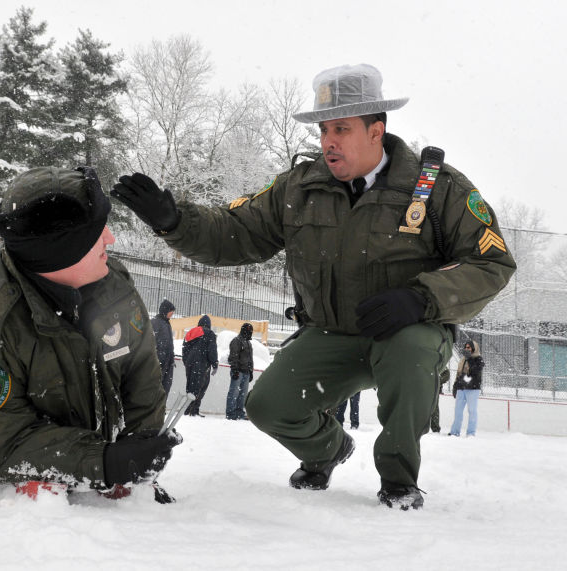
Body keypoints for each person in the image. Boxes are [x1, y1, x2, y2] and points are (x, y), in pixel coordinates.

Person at [112, 63, 516, 510]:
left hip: (406, 331)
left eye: (342, 129)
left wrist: (422, 298)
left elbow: (491, 261)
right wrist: (174, 221)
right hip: (331, 333)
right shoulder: (298, 188)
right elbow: (234, 232)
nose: (329, 141)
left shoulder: (437, 189)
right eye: (324, 129)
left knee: (412, 353)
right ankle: (327, 450)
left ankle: (399, 481)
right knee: (266, 405)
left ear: (376, 130)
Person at [0, 166, 180, 496]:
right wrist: (103, 462)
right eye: (97, 232)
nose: (110, 239)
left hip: (64, 419)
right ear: (59, 251)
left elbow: (140, 369)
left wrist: (140, 443)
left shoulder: (112, 281)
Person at [182, 315, 218, 416]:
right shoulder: (210, 333)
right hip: (202, 364)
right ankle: (191, 410)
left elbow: (184, 349)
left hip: (190, 364)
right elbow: (212, 350)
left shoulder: (191, 332)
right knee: (201, 387)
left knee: (190, 386)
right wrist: (215, 363)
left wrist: (187, 362)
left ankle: (189, 409)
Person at [449, 340, 484, 437]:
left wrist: (469, 358)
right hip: (461, 388)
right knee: (458, 411)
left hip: (473, 389)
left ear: (474, 348)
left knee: (472, 411)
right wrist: (455, 386)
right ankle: (455, 432)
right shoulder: (462, 360)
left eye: (469, 347)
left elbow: (475, 371)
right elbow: (459, 374)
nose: (466, 349)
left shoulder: (478, 359)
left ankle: (471, 433)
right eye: (466, 347)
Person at [226, 322, 254, 420]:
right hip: (238, 371)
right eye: (248, 330)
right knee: (234, 393)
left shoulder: (248, 343)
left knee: (243, 394)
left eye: (251, 331)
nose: (250, 332)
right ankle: (230, 413)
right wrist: (235, 370)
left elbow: (250, 359)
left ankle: (239, 412)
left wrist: (251, 371)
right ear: (243, 330)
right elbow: (233, 356)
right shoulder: (236, 341)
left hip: (246, 372)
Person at [151, 299, 176, 395]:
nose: (172, 314)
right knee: (156, 389)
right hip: (159, 362)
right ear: (165, 311)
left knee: (165, 388)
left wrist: (171, 358)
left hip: (167, 362)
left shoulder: (166, 323)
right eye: (171, 311)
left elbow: (169, 344)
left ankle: (161, 408)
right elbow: (151, 342)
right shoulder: (155, 323)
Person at [430, 368, 449, 433]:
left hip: (434, 389)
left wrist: (437, 381)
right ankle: (419, 427)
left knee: (434, 407)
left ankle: (435, 428)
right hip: (423, 388)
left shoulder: (438, 362)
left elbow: (447, 374)